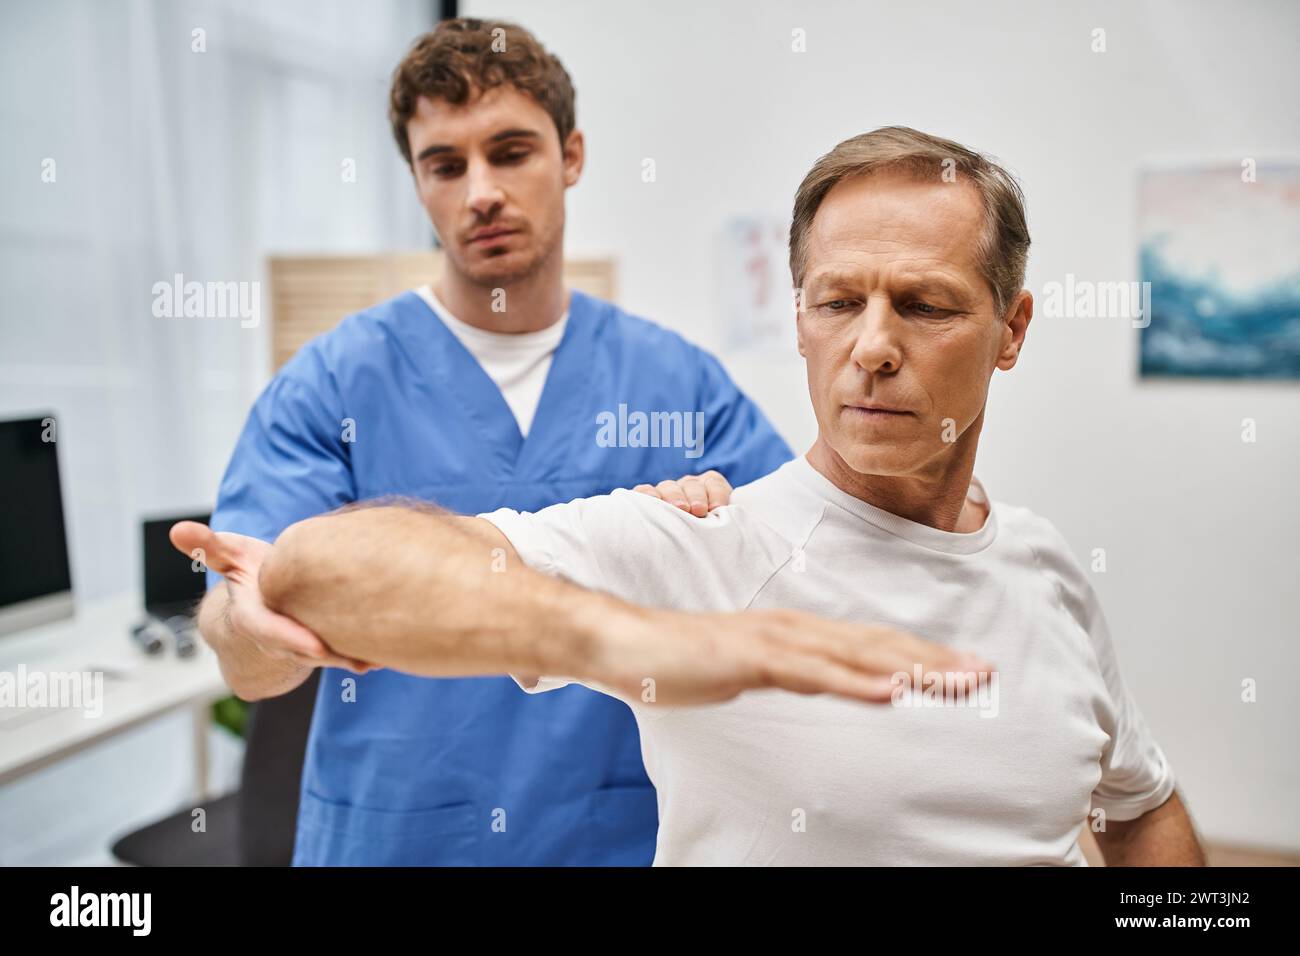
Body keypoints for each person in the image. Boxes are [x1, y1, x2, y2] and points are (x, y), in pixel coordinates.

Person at [184, 125, 1206, 865]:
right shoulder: (695, 548)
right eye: (838, 301)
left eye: (926, 305)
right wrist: (640, 641)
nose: (874, 346)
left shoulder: (1047, 565)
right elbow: (323, 575)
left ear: (1012, 329)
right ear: (799, 319)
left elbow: (1141, 802)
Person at [191, 17, 790, 866]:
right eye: (445, 164)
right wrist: (248, 627)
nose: (480, 192)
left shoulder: (678, 386)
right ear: (418, 181)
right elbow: (248, 651)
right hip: (393, 837)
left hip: (612, 836)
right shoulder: (333, 385)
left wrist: (713, 528)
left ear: (571, 156)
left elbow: (795, 572)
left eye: (510, 152)